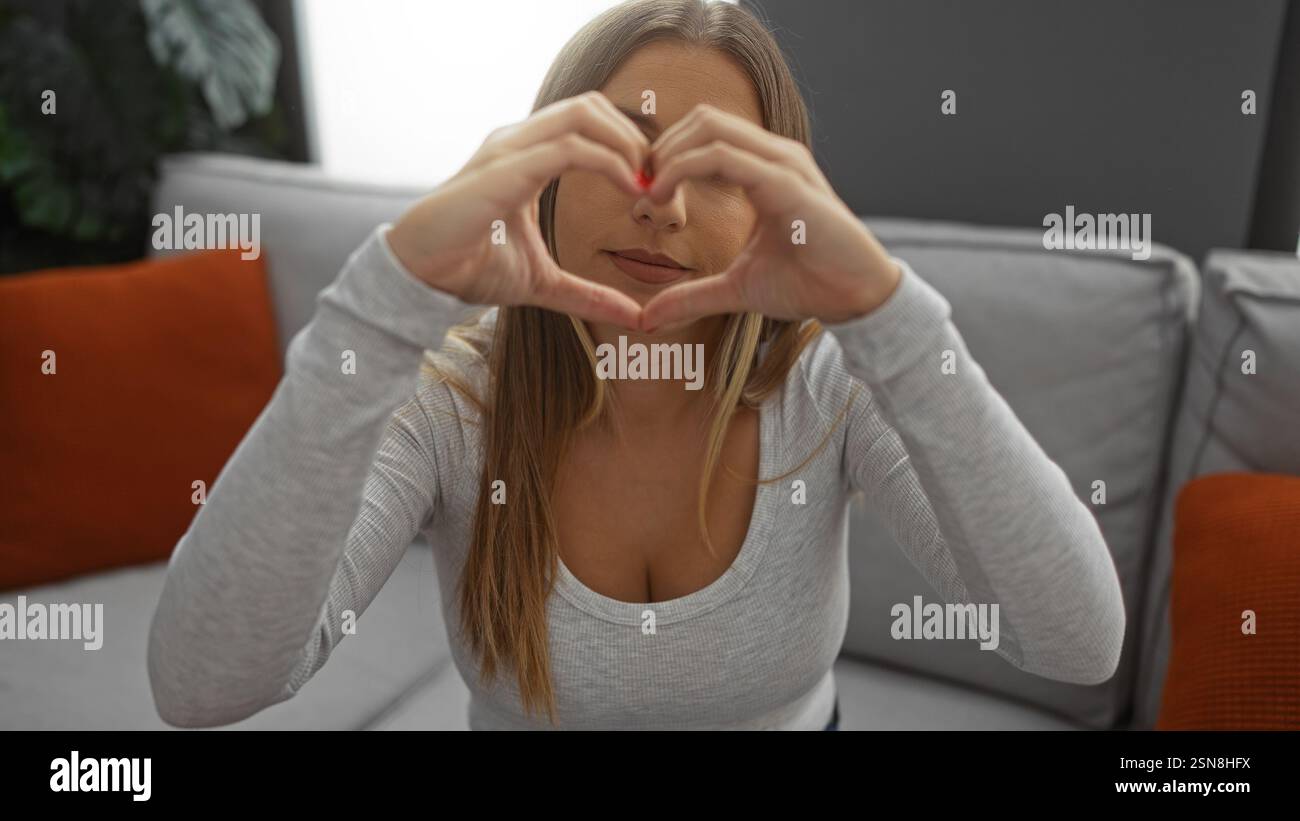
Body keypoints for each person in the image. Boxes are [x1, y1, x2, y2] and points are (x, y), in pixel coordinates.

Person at [146, 0, 1125, 730]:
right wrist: (386, 293)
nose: (665, 205)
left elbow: (1076, 642)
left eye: (721, 171)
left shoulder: (830, 386)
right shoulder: (454, 401)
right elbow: (202, 682)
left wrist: (889, 313)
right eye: (629, 152)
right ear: (542, 167)